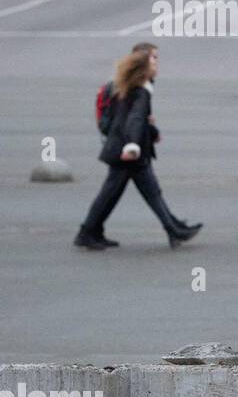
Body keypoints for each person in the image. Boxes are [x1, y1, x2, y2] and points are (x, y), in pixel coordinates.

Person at [75, 44, 201, 250]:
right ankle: (88, 231)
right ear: (143, 67)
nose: (157, 63)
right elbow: (133, 119)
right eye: (153, 60)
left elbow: (138, 119)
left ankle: (172, 228)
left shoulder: (134, 87)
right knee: (118, 193)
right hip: (127, 151)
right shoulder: (140, 91)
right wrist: (133, 145)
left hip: (127, 149)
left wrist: (152, 132)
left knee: (141, 192)